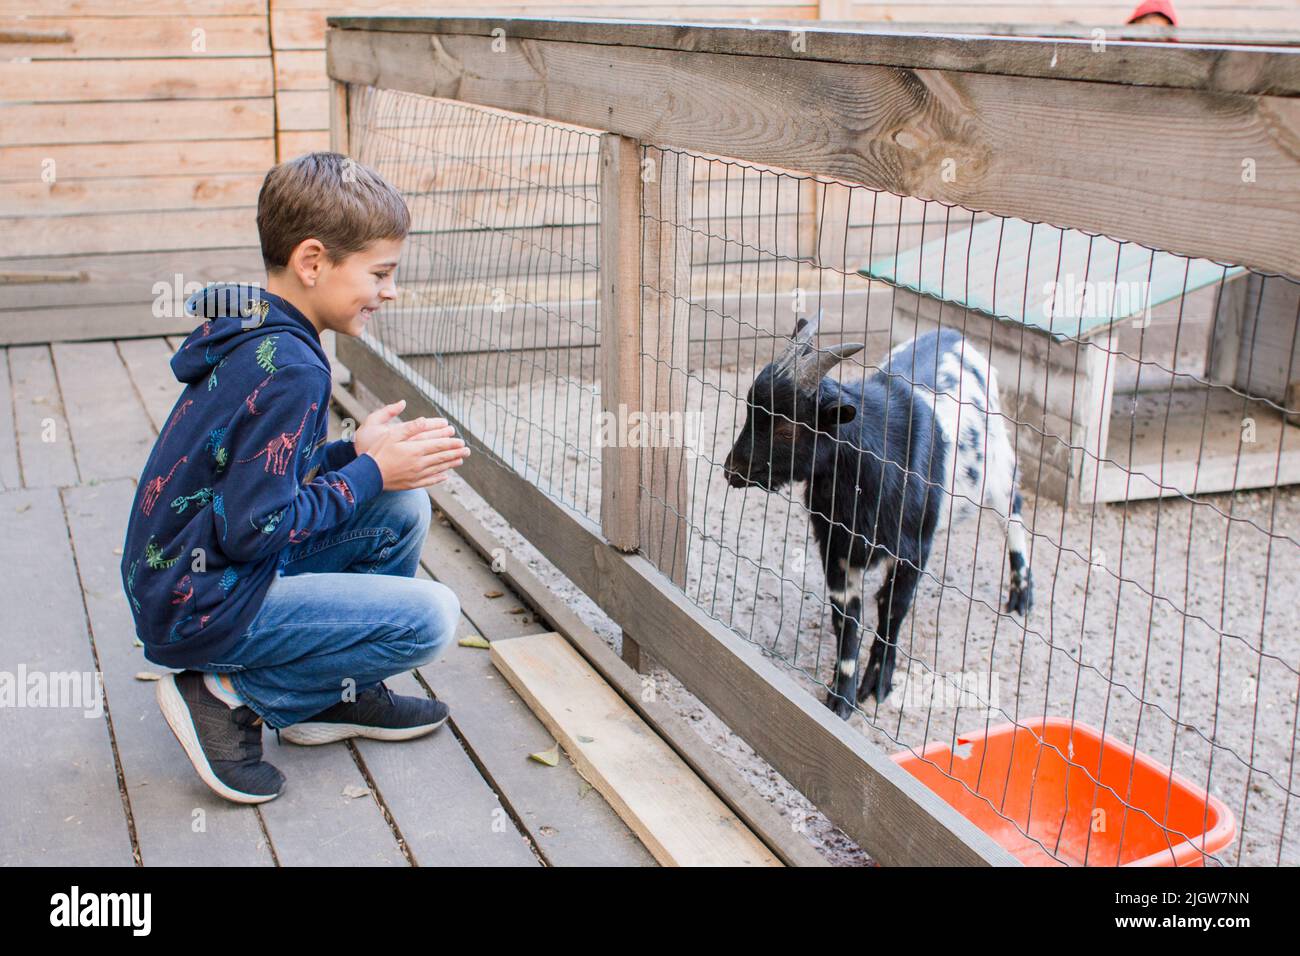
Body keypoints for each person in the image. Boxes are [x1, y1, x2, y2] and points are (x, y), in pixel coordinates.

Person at [120, 152, 471, 804]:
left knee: (402, 508)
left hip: (185, 577)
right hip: (203, 602)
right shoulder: (294, 369)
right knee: (432, 620)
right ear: (313, 262)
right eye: (380, 273)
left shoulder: (260, 331)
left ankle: (331, 700)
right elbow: (257, 530)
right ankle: (225, 696)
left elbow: (253, 482)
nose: (389, 291)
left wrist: (352, 458)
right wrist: (369, 471)